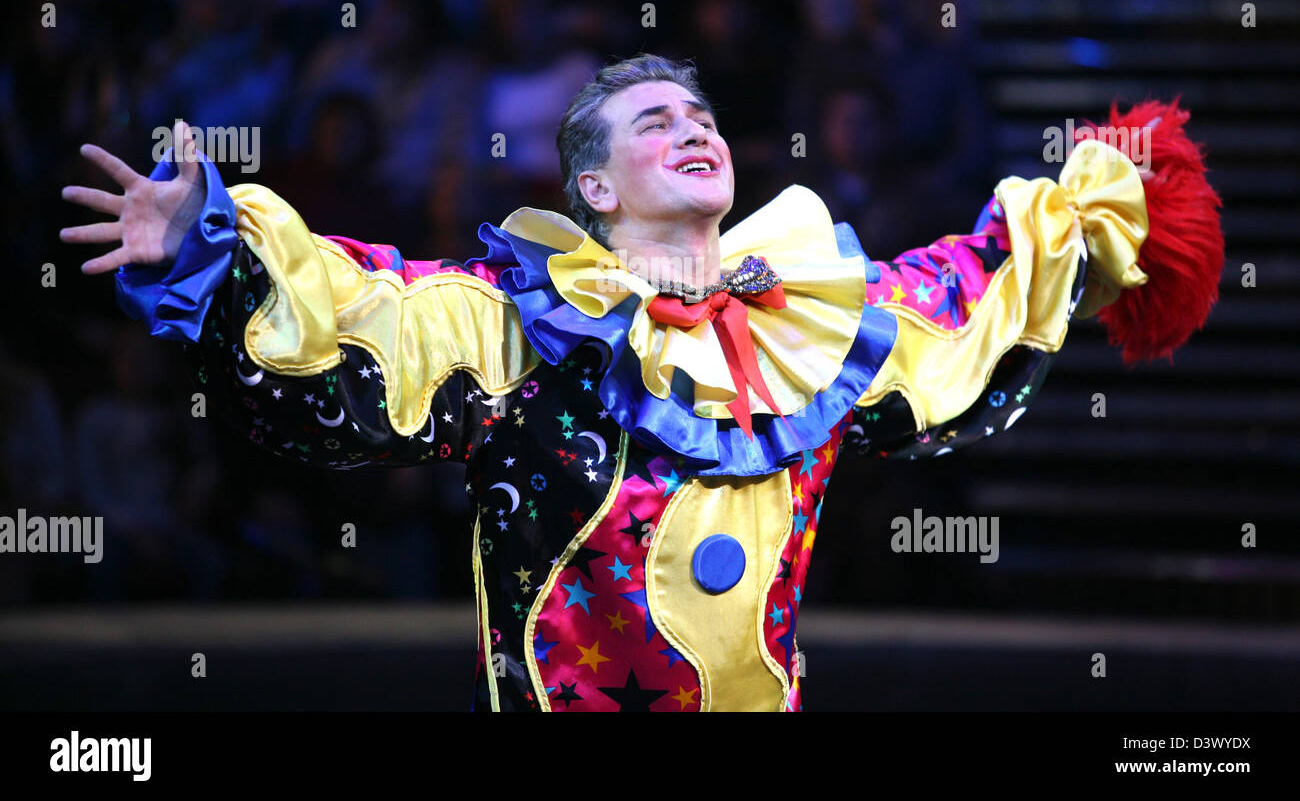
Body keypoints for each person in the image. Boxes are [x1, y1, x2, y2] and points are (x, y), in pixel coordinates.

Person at [59, 53, 1223, 711]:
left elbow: (971, 295)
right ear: (596, 190)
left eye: (703, 115)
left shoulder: (820, 322)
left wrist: (1107, 206)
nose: (692, 127)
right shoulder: (523, 325)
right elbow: (368, 312)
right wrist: (211, 243)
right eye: (653, 120)